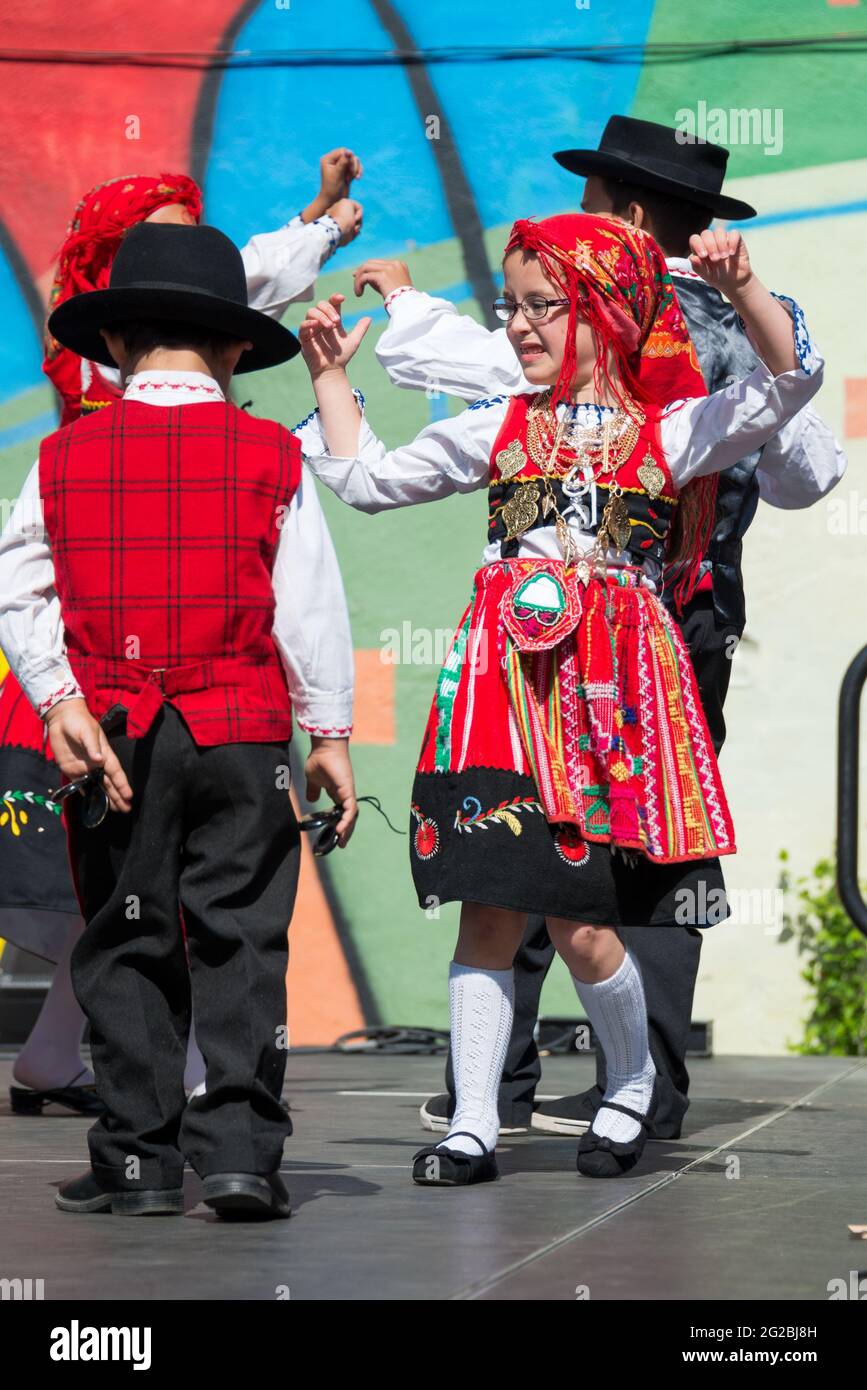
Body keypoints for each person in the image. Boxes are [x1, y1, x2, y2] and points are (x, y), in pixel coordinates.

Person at [294, 211, 825, 1183]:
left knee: (584, 925)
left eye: (548, 305)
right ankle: (475, 1124)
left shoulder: (671, 431)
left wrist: (746, 286)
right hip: (499, 691)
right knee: (488, 908)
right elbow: (368, 479)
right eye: (515, 305)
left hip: (608, 709)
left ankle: (627, 1085)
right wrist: (329, 374)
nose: (524, 325)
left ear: (611, 312)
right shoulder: (497, 426)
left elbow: (789, 384)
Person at [0, 221, 358, 1217]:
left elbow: (15, 584)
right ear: (238, 346)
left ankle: (136, 1158)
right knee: (240, 940)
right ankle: (240, 1152)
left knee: (125, 935)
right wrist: (329, 736)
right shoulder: (270, 453)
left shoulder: (63, 455)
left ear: (113, 346)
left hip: (113, 735)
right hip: (242, 735)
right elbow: (310, 606)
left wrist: (59, 698)